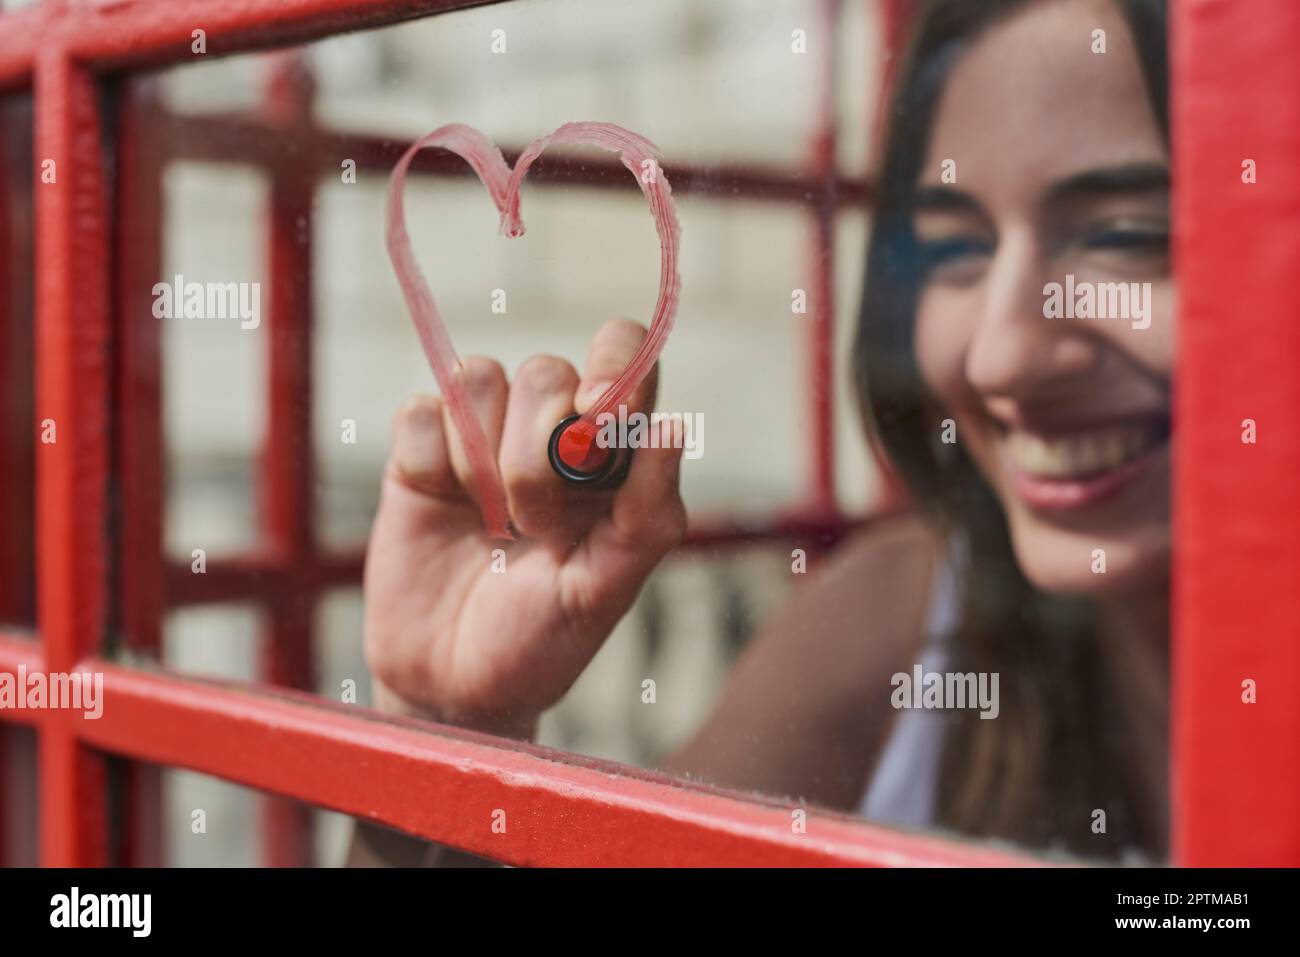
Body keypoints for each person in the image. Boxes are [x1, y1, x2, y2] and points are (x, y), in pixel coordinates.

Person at [350, 0, 1171, 866]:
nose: (1004, 357)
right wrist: (446, 729)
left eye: (1127, 235)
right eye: (956, 246)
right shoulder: (902, 620)